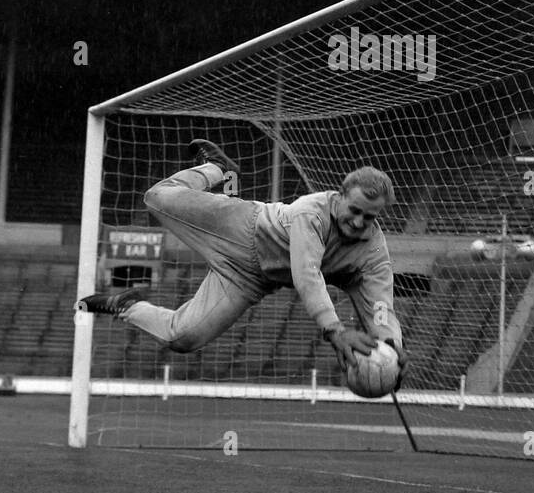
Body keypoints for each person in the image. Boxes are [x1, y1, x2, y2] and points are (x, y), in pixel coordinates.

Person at [79, 140, 409, 382]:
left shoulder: (374, 251)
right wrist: (334, 330)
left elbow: (380, 304)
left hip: (251, 279)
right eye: (354, 210)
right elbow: (306, 273)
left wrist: (390, 342)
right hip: (241, 228)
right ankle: (217, 170)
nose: (358, 221)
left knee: (183, 338)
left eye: (369, 216)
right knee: (157, 198)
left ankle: (125, 305)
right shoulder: (313, 212)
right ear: (339, 198)